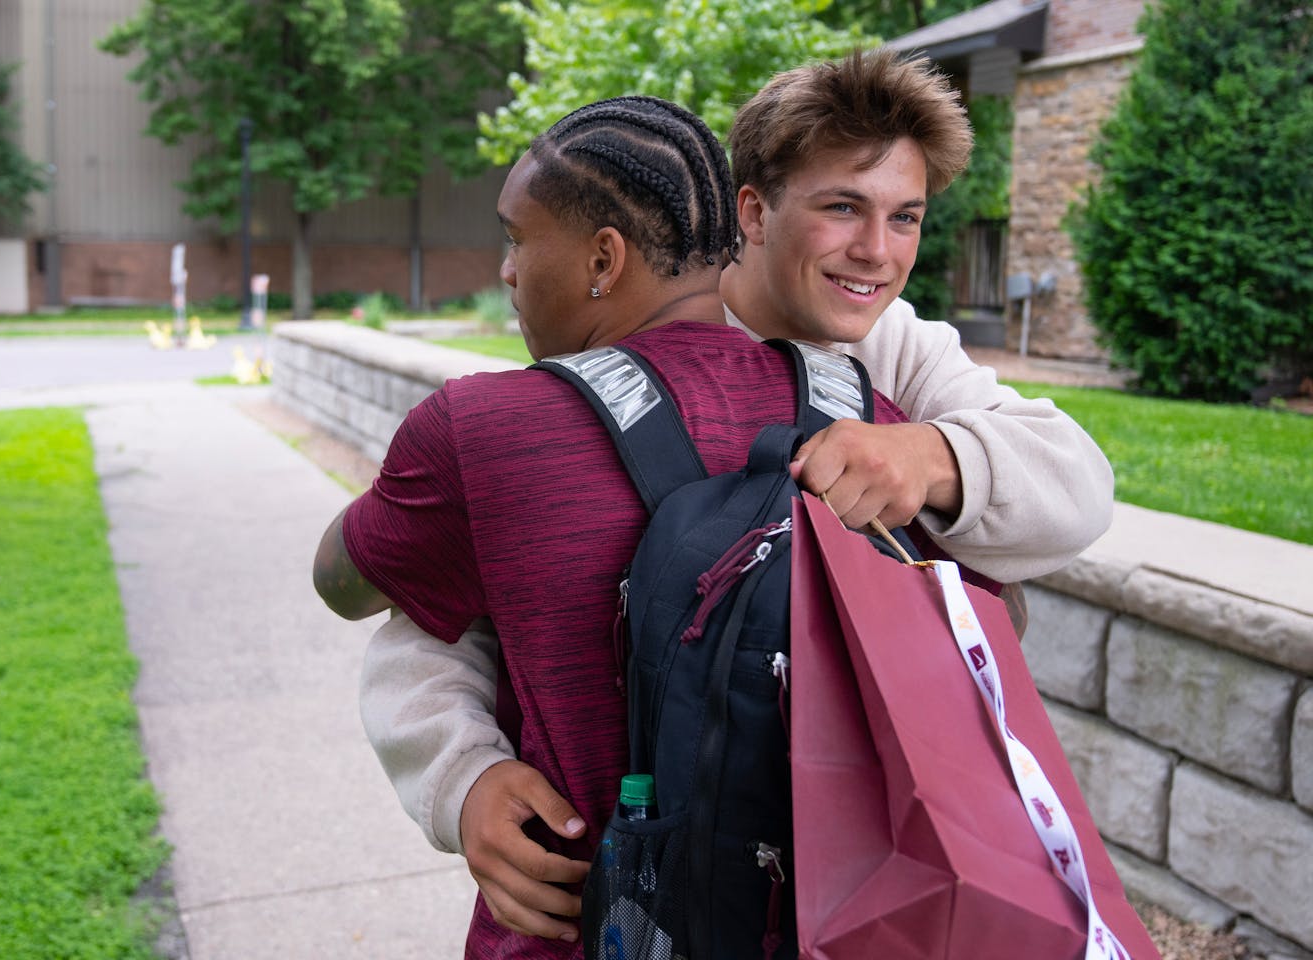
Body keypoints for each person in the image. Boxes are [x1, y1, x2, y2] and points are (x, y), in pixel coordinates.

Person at [355, 50, 1116, 945]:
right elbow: (460, 614)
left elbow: (1076, 488)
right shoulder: (620, 343)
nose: (877, 251)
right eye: (842, 208)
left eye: (905, 216)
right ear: (751, 212)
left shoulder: (894, 354)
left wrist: (932, 455)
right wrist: (462, 776)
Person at [316, 94, 857, 956]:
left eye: (517, 239)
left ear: (603, 258)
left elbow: (341, 583)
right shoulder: (865, 418)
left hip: (576, 925)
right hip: (821, 926)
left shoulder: (483, 428)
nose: (507, 271)